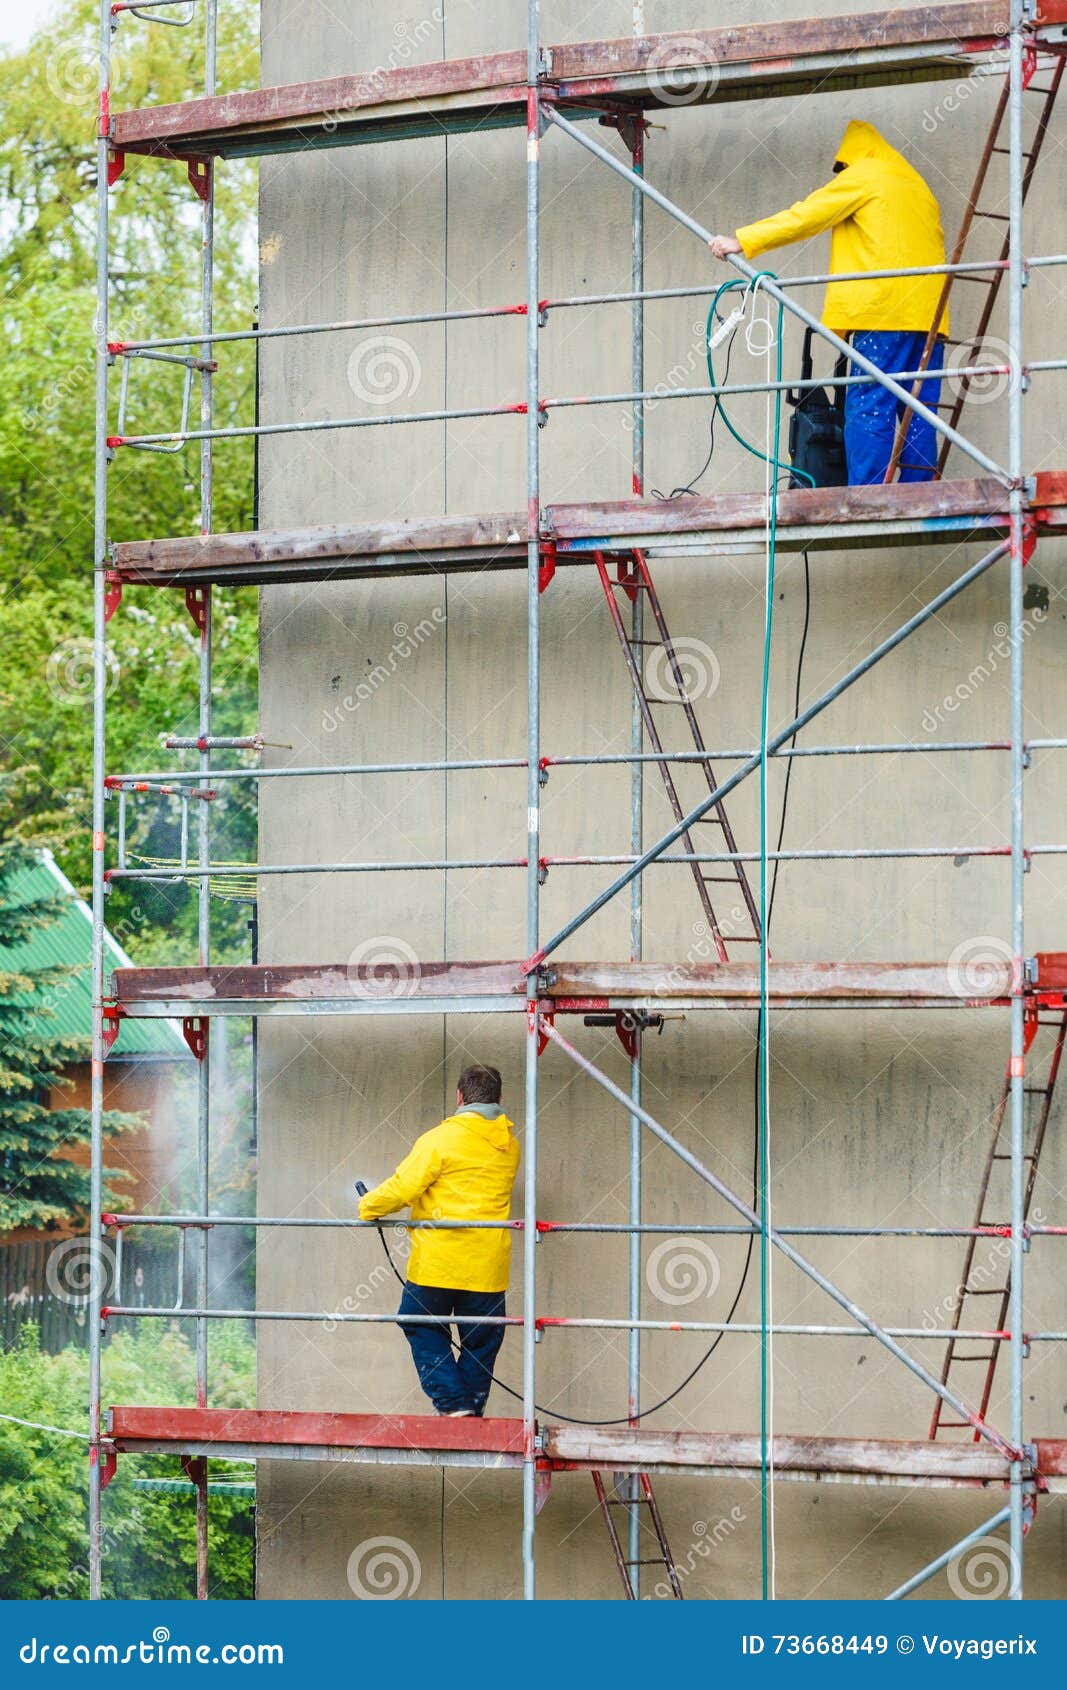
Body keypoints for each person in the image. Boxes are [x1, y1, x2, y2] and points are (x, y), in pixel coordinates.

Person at [710, 120, 949, 485]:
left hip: (883, 312)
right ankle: (919, 491)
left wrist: (742, 241)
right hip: (930, 317)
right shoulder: (914, 183)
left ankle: (869, 495)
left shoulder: (866, 174)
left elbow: (806, 215)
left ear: (848, 159)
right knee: (919, 411)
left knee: (870, 405)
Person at [358, 1063, 520, 1417]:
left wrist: (368, 1205)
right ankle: (470, 1406)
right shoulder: (509, 1146)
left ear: (459, 1097)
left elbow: (404, 1188)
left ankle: (454, 1403)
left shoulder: (439, 1140)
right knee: (482, 1339)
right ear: (500, 1098)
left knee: (417, 1320)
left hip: (438, 1263)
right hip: (488, 1266)